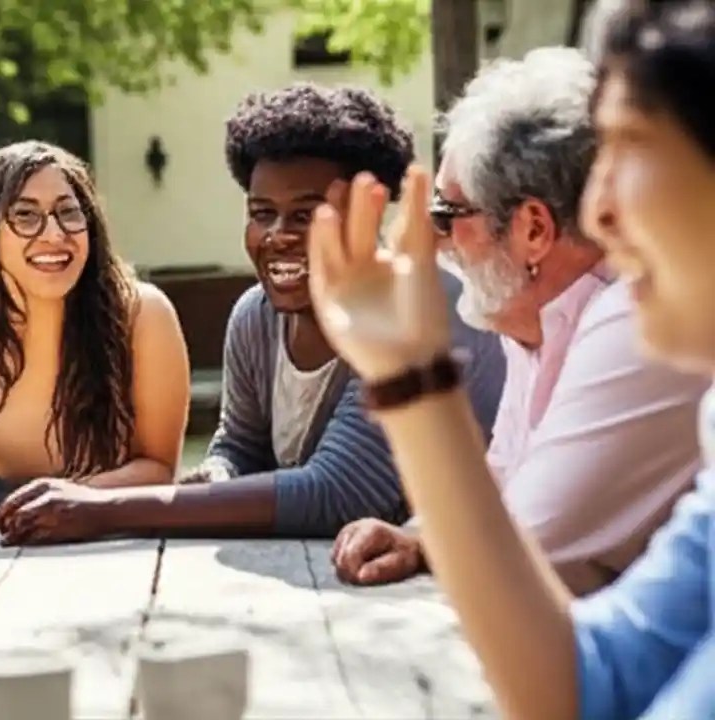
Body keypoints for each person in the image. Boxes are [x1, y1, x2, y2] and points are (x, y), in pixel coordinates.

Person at [306, 2, 715, 717]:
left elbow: (532, 544)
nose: (599, 210)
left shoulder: (620, 316)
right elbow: (583, 682)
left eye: (633, 142)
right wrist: (409, 379)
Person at [0, 87, 503, 545]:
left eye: (305, 215)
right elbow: (240, 448)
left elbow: (337, 492)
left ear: (366, 212)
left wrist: (105, 508)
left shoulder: (418, 306)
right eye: (261, 213)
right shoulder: (255, 317)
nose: (277, 234)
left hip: (455, 589)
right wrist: (207, 476)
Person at [0, 140, 190, 523]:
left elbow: (159, 469)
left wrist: (73, 498)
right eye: (25, 216)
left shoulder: (144, 313)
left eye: (68, 213)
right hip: (9, 532)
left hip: (117, 532)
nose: (54, 234)